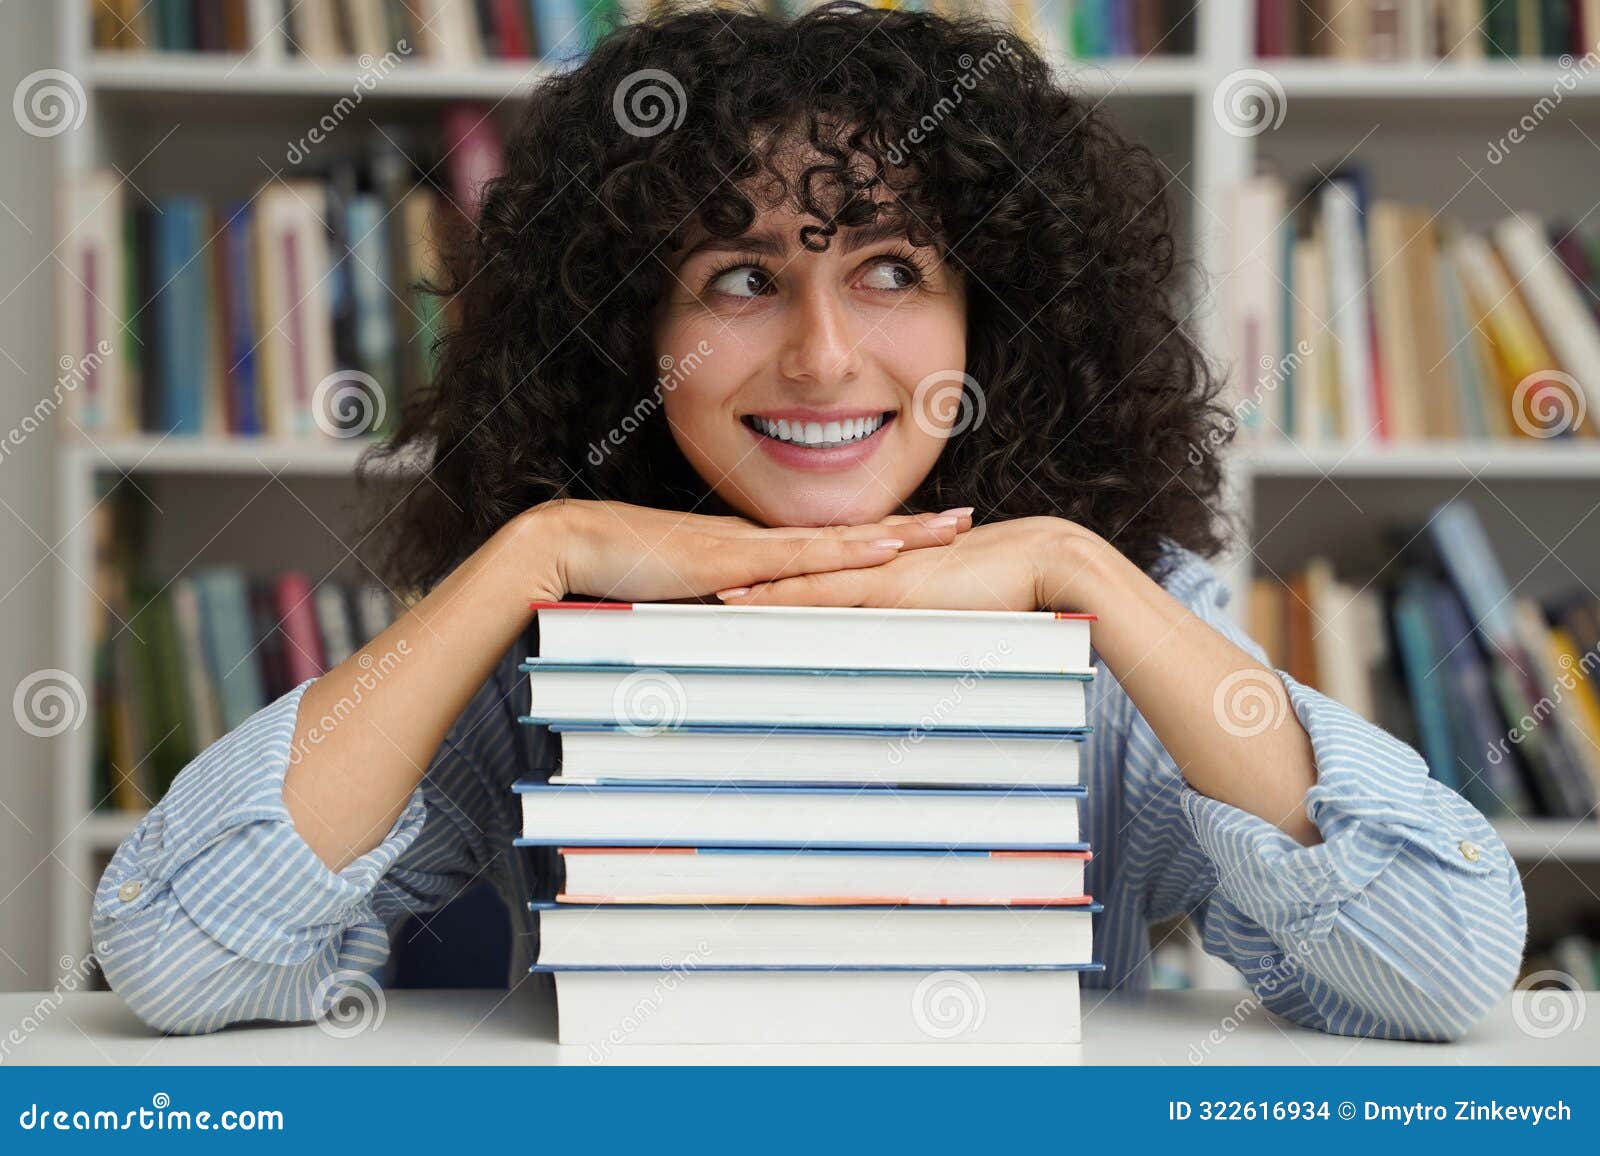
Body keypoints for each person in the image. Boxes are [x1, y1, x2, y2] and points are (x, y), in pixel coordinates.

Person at [93, 2, 1524, 1040]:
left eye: (895, 269)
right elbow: (176, 953)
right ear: (628, 333)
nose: (826, 357)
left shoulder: (1118, 613)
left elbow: (1446, 966)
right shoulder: (547, 619)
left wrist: (1076, 567)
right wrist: (531, 555)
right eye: (738, 278)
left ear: (995, 323)